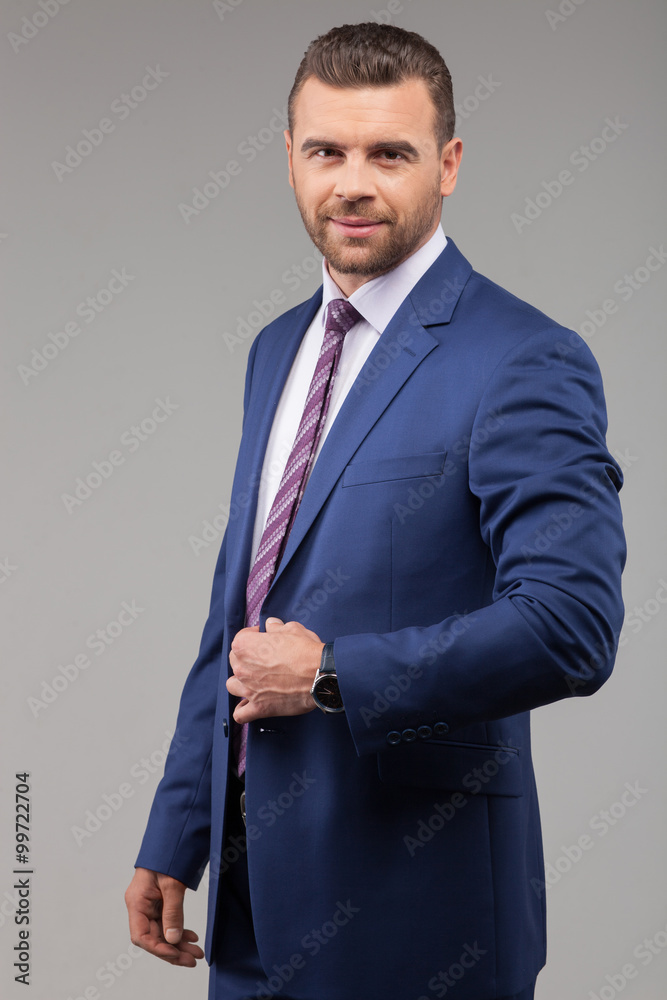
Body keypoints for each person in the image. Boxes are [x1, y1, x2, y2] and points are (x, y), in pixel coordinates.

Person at [124, 22, 625, 1000]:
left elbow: (571, 626)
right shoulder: (275, 350)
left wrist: (331, 674)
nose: (352, 182)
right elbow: (238, 613)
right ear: (288, 159)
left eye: (388, 153)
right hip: (249, 908)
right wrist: (178, 829)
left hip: (419, 918)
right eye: (327, 151)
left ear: (447, 165)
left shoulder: (522, 357)